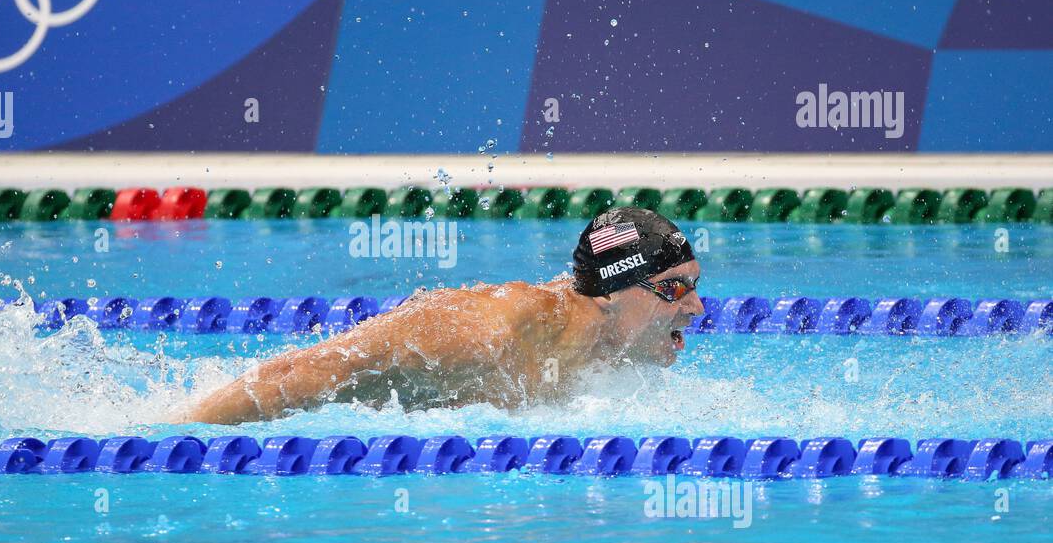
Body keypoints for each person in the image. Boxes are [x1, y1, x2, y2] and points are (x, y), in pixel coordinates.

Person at [179, 207, 703, 425]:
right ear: (612, 290)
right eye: (674, 288)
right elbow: (308, 372)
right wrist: (176, 434)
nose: (695, 307)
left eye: (696, 287)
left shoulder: (611, 353)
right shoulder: (487, 332)